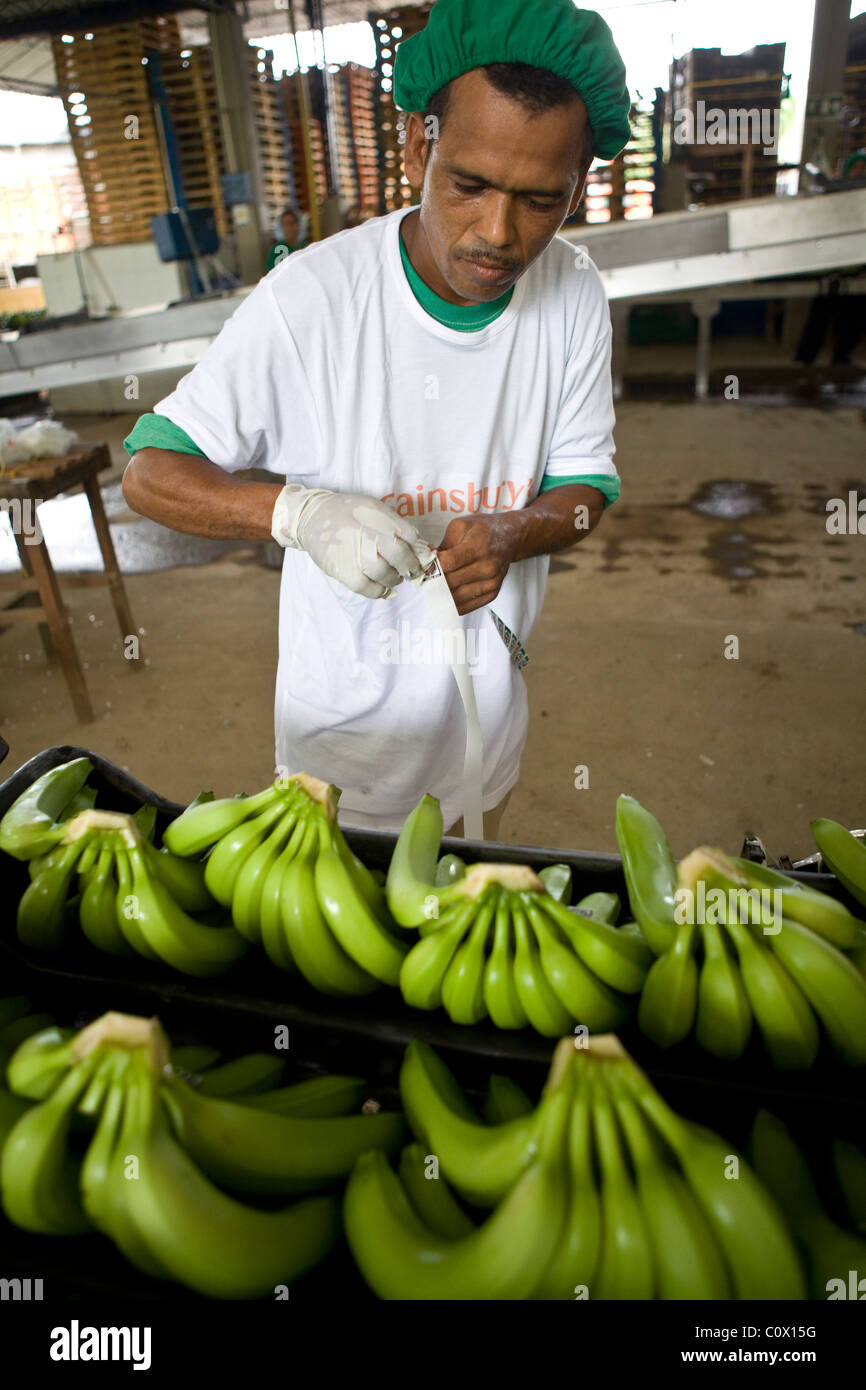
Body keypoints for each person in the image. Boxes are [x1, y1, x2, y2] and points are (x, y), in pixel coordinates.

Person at [121, 0, 630, 837]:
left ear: (578, 186)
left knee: (463, 917)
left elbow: (585, 488)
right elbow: (149, 471)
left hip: (484, 727)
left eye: (541, 201)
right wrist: (298, 513)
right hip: (339, 753)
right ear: (418, 147)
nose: (497, 235)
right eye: (468, 185)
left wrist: (514, 532)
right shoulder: (313, 301)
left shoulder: (573, 292)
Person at [266, 205, 307, 270]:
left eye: (293, 223)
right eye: (286, 224)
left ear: (300, 224)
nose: (290, 227)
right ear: (280, 227)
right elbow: (272, 275)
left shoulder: (305, 247)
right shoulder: (277, 249)